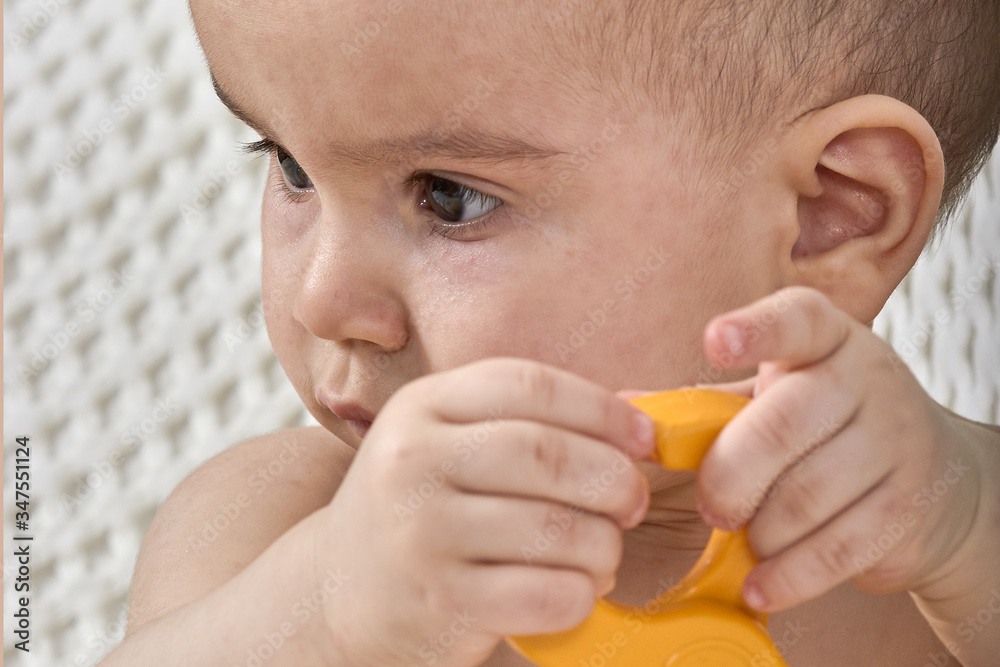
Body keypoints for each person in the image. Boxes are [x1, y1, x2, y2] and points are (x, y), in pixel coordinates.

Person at [102, 1, 1000, 664]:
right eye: (291, 167)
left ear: (828, 216)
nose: (323, 301)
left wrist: (959, 514)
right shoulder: (280, 524)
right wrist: (328, 614)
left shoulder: (932, 540)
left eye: (449, 197)